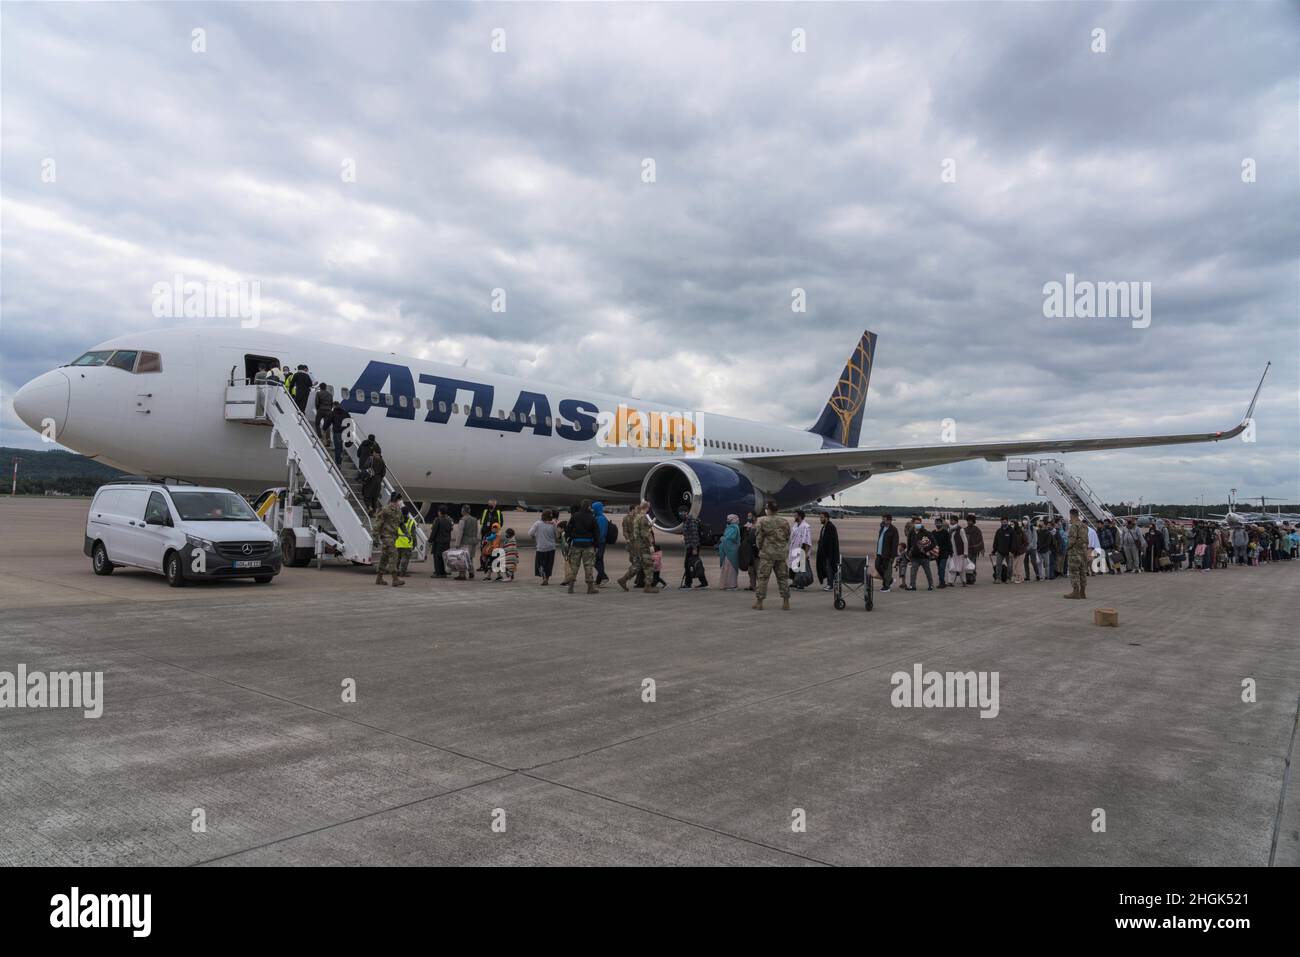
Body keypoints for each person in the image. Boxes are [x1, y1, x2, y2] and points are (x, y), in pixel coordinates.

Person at [753, 501, 792, 610]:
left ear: (768, 509)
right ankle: (786, 601)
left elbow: (759, 538)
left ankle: (759, 602)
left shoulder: (763, 521)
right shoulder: (784, 521)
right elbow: (787, 536)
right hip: (780, 554)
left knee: (763, 578)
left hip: (767, 554)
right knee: (783, 577)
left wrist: (760, 547)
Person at [561, 499, 600, 594]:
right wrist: (596, 545)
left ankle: (570, 587)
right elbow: (596, 533)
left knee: (574, 566)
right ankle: (590, 587)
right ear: (589, 507)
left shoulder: (575, 516)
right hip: (588, 545)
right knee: (588, 566)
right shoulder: (592, 518)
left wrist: (568, 539)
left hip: (576, 544)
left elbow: (568, 529)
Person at [373, 492, 406, 587]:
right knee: (394, 554)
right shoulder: (385, 510)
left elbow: (401, 523)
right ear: (396, 500)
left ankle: (379, 579)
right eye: (400, 500)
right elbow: (378, 523)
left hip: (393, 536)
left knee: (385, 556)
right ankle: (395, 579)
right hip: (386, 536)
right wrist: (375, 537)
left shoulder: (398, 511)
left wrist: (406, 533)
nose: (401, 502)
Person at [679, 508, 708, 588]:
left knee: (693, 564)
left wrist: (695, 548)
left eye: (682, 512)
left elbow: (694, 534)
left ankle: (689, 583)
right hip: (689, 546)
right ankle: (701, 582)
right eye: (680, 513)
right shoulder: (686, 521)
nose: (681, 514)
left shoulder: (691, 521)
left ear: (687, 512)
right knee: (690, 564)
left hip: (693, 546)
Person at [906, 516, 937, 591]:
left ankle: (931, 585)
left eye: (919, 523)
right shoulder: (911, 532)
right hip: (914, 557)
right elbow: (909, 544)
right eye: (916, 523)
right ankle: (912, 586)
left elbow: (933, 543)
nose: (918, 525)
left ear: (921, 523)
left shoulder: (925, 532)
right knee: (913, 572)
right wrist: (908, 553)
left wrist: (926, 549)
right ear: (913, 524)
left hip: (924, 556)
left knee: (927, 572)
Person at [1064, 508, 1088, 599]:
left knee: (1074, 572)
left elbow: (1071, 540)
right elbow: (1086, 540)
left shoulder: (1074, 526)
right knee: (1083, 572)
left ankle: (1075, 592)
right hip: (1083, 552)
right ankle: (1083, 592)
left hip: (1074, 553)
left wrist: (1067, 548)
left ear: (1071, 515)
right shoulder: (1084, 526)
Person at [529, 510, 558, 585]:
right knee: (549, 564)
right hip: (551, 548)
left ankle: (544, 577)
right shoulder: (553, 524)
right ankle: (547, 579)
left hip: (541, 548)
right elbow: (557, 535)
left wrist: (535, 537)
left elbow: (530, 533)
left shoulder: (538, 523)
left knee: (541, 564)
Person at [815, 511, 840, 591]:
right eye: (820, 517)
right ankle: (831, 583)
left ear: (826, 518)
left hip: (829, 553)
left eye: (822, 517)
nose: (820, 519)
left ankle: (830, 585)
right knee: (827, 568)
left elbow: (832, 542)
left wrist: (829, 553)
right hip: (824, 553)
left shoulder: (830, 527)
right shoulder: (824, 527)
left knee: (830, 569)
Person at [874, 514, 899, 593]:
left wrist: (892, 556)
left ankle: (886, 586)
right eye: (882, 519)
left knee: (887, 570)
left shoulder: (893, 530)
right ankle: (890, 580)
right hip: (879, 553)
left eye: (884, 519)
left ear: (889, 520)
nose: (883, 521)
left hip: (887, 554)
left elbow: (895, 544)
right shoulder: (882, 528)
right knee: (877, 566)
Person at [428, 505, 454, 578]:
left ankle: (438, 573)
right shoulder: (449, 520)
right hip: (446, 542)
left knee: (437, 557)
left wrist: (430, 540)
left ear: (439, 512)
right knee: (443, 557)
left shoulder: (438, 520)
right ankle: (442, 572)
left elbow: (434, 531)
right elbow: (450, 529)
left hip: (438, 542)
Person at [789, 511, 812, 588]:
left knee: (801, 567)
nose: (794, 517)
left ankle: (801, 584)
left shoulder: (805, 526)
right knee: (793, 566)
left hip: (801, 549)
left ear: (800, 516)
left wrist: (806, 553)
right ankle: (794, 582)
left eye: (795, 515)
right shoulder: (795, 525)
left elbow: (807, 541)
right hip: (794, 549)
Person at [718, 514, 741, 590]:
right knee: (726, 567)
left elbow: (730, 538)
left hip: (732, 551)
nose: (728, 520)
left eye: (729, 519)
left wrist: (723, 539)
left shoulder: (735, 528)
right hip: (727, 551)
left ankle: (732, 585)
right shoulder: (730, 527)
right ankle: (726, 584)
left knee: (731, 568)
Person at [394, 504, 418, 578]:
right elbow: (413, 535)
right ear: (408, 513)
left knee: (397, 559)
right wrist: (414, 543)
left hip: (397, 543)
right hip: (407, 544)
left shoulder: (397, 521)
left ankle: (396, 571)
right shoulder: (411, 522)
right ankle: (402, 572)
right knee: (405, 559)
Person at [456, 505, 479, 580]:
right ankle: (471, 572)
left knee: (463, 558)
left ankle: (462, 575)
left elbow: (460, 532)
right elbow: (476, 531)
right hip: (473, 541)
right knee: (470, 558)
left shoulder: (463, 520)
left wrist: (457, 543)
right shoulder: (475, 519)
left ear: (463, 511)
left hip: (465, 542)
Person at [592, 501, 610, 586]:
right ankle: (599, 580)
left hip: (600, 543)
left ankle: (604, 577)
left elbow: (601, 533)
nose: (592, 510)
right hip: (600, 542)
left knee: (595, 560)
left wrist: (597, 543)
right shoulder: (598, 517)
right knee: (599, 560)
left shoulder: (601, 519)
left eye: (593, 508)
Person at [991, 517, 1013, 584]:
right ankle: (998, 578)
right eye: (1003, 522)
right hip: (1000, 551)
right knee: (998, 565)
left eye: (1005, 522)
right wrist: (994, 551)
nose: (1004, 523)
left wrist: (1011, 551)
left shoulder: (1011, 531)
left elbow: (1013, 542)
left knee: (1010, 566)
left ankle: (1009, 578)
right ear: (1001, 522)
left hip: (1009, 552)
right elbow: (995, 541)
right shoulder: (998, 531)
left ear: (1007, 522)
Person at [741, 512, 759, 591]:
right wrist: (746, 529)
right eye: (748, 516)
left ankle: (761, 586)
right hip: (749, 550)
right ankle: (752, 585)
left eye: (750, 516)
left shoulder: (758, 525)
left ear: (754, 517)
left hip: (757, 551)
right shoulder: (748, 525)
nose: (748, 518)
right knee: (750, 570)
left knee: (757, 569)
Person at [933, 516, 952, 588]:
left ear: (942, 524)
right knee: (939, 569)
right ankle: (941, 581)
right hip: (936, 554)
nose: (938, 524)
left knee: (941, 567)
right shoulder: (933, 533)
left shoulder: (945, 532)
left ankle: (942, 582)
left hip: (944, 553)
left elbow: (949, 543)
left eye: (939, 523)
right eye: (936, 523)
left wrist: (950, 552)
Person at [328, 402, 349, 466]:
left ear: (334, 406)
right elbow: (350, 421)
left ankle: (338, 463)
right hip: (344, 432)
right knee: (340, 446)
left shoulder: (333, 413)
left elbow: (328, 421)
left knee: (337, 448)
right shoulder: (345, 413)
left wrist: (324, 427)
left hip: (337, 432)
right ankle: (341, 455)